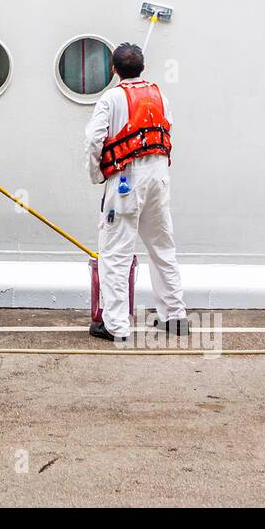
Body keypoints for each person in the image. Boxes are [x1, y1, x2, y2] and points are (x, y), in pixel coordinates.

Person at [83, 42, 186, 343]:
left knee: (115, 254)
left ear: (114, 69)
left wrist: (96, 174)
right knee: (162, 247)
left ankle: (115, 325)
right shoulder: (160, 96)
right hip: (159, 179)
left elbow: (93, 140)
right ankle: (174, 316)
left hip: (126, 181)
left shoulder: (111, 98)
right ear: (142, 67)